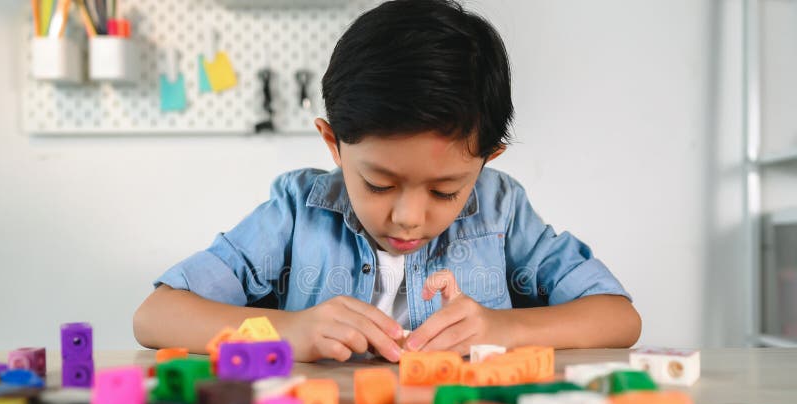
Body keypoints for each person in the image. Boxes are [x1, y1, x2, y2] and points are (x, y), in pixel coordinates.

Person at [133, 0, 641, 362]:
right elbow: (155, 316)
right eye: (379, 184)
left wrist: (502, 328)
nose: (409, 217)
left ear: (488, 160)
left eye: (446, 191)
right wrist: (290, 332)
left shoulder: (500, 209)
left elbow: (619, 318)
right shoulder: (296, 211)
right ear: (334, 145)